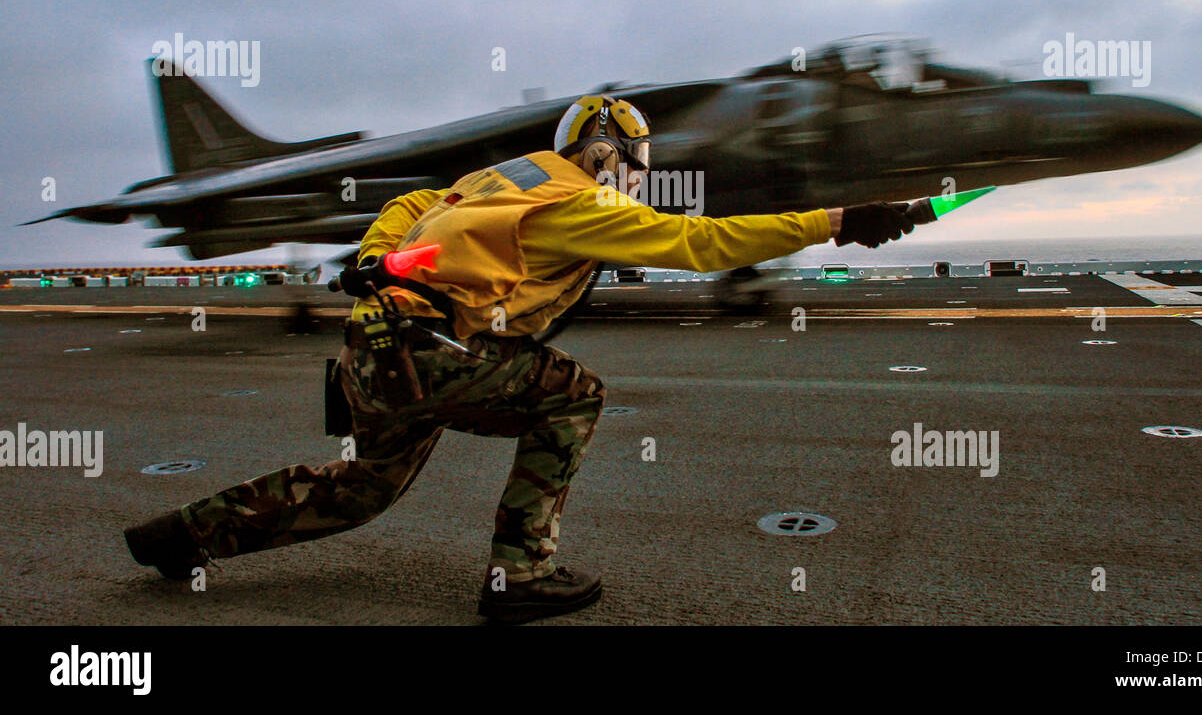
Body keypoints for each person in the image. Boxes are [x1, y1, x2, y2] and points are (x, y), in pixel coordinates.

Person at [124, 94, 914, 623]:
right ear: (608, 153)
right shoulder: (579, 202)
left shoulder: (497, 179)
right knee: (574, 395)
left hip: (375, 348)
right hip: (434, 352)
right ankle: (520, 575)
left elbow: (405, 206)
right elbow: (701, 243)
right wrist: (836, 221)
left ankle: (183, 534)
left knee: (358, 491)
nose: (636, 178)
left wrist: (373, 253)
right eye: (633, 161)